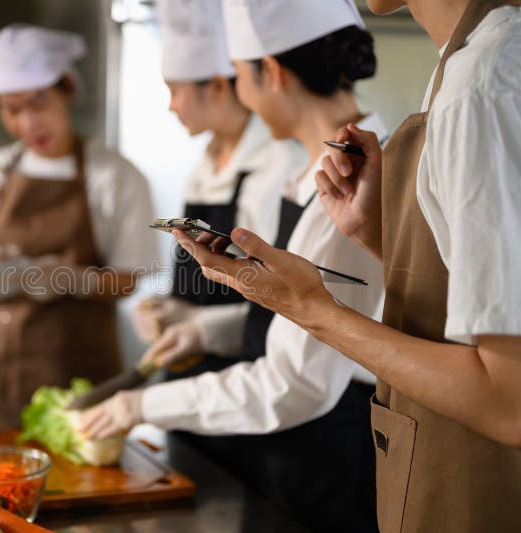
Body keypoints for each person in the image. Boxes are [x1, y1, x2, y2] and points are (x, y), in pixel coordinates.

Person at [172, 0, 521, 531]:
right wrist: (378, 238)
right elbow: (470, 303)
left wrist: (315, 312)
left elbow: (509, 401)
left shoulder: (483, 81)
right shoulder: (464, 69)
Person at [79, 2, 385, 530]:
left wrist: (143, 406)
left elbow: (296, 382)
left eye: (240, 74)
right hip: (292, 440)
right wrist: (205, 330)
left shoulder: (351, 178)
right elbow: (294, 320)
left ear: (269, 72)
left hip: (329, 448)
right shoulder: (320, 170)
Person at [0, 24, 157, 430]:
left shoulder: (117, 178)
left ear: (67, 88)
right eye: (11, 109)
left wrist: (71, 278)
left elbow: (125, 281)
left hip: (80, 379)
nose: (27, 123)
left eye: (38, 104)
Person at [133, 0, 305, 389]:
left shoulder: (279, 165)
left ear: (217, 86)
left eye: (175, 91)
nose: (171, 106)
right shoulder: (204, 164)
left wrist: (200, 326)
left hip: (252, 375)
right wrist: (173, 309)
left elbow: (291, 299)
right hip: (188, 371)